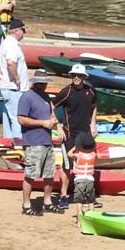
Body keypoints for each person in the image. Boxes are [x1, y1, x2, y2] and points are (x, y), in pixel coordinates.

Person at [17, 70, 63, 215]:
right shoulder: (27, 97)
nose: (43, 85)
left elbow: (51, 115)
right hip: (33, 141)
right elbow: (21, 119)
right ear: (34, 82)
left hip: (46, 141)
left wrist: (57, 126)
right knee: (31, 174)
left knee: (49, 174)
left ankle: (47, 202)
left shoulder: (45, 97)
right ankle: (26, 204)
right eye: (41, 83)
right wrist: (43, 123)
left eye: (45, 83)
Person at [51, 63, 98, 205]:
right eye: (74, 75)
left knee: (88, 163)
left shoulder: (91, 91)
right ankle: (64, 195)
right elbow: (51, 106)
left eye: (79, 75)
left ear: (84, 77)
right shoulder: (66, 92)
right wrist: (57, 126)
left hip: (86, 134)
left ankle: (88, 194)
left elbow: (94, 106)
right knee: (67, 165)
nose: (76, 78)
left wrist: (93, 124)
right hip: (70, 134)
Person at [0, 18, 29, 147]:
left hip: (8, 87)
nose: (24, 33)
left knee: (8, 118)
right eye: (23, 30)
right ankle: (17, 146)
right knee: (17, 119)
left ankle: (7, 144)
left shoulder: (7, 42)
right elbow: (11, 62)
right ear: (17, 31)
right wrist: (17, 79)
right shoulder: (11, 44)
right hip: (13, 88)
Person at [70, 132, 99, 217]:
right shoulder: (94, 155)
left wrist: (75, 147)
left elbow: (69, 154)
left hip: (80, 180)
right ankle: (93, 218)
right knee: (91, 201)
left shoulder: (78, 155)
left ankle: (79, 221)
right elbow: (97, 155)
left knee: (79, 201)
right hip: (90, 180)